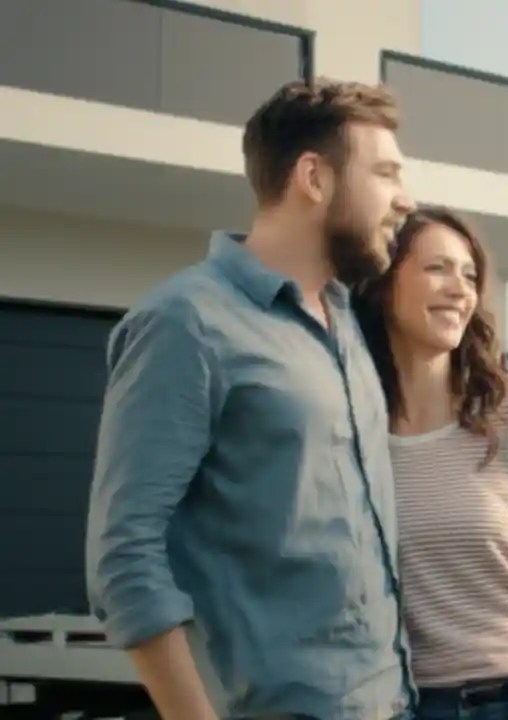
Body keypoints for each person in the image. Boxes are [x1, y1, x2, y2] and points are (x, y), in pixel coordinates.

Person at [85, 78, 418, 720]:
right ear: (313, 178)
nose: (406, 200)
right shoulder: (185, 322)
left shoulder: (346, 323)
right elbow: (123, 557)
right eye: (385, 173)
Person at [350, 205, 508, 720]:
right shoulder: (352, 431)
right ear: (383, 284)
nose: (460, 289)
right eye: (437, 269)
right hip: (409, 705)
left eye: (469, 275)